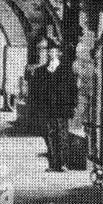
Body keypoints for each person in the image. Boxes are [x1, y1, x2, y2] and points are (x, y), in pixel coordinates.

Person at [30, 40, 78, 172]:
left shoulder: (66, 70)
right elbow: (35, 90)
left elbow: (73, 89)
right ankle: (53, 163)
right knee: (49, 135)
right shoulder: (41, 71)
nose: (52, 53)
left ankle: (63, 163)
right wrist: (36, 106)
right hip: (47, 108)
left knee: (62, 134)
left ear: (59, 53)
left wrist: (72, 105)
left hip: (62, 108)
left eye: (54, 51)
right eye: (50, 51)